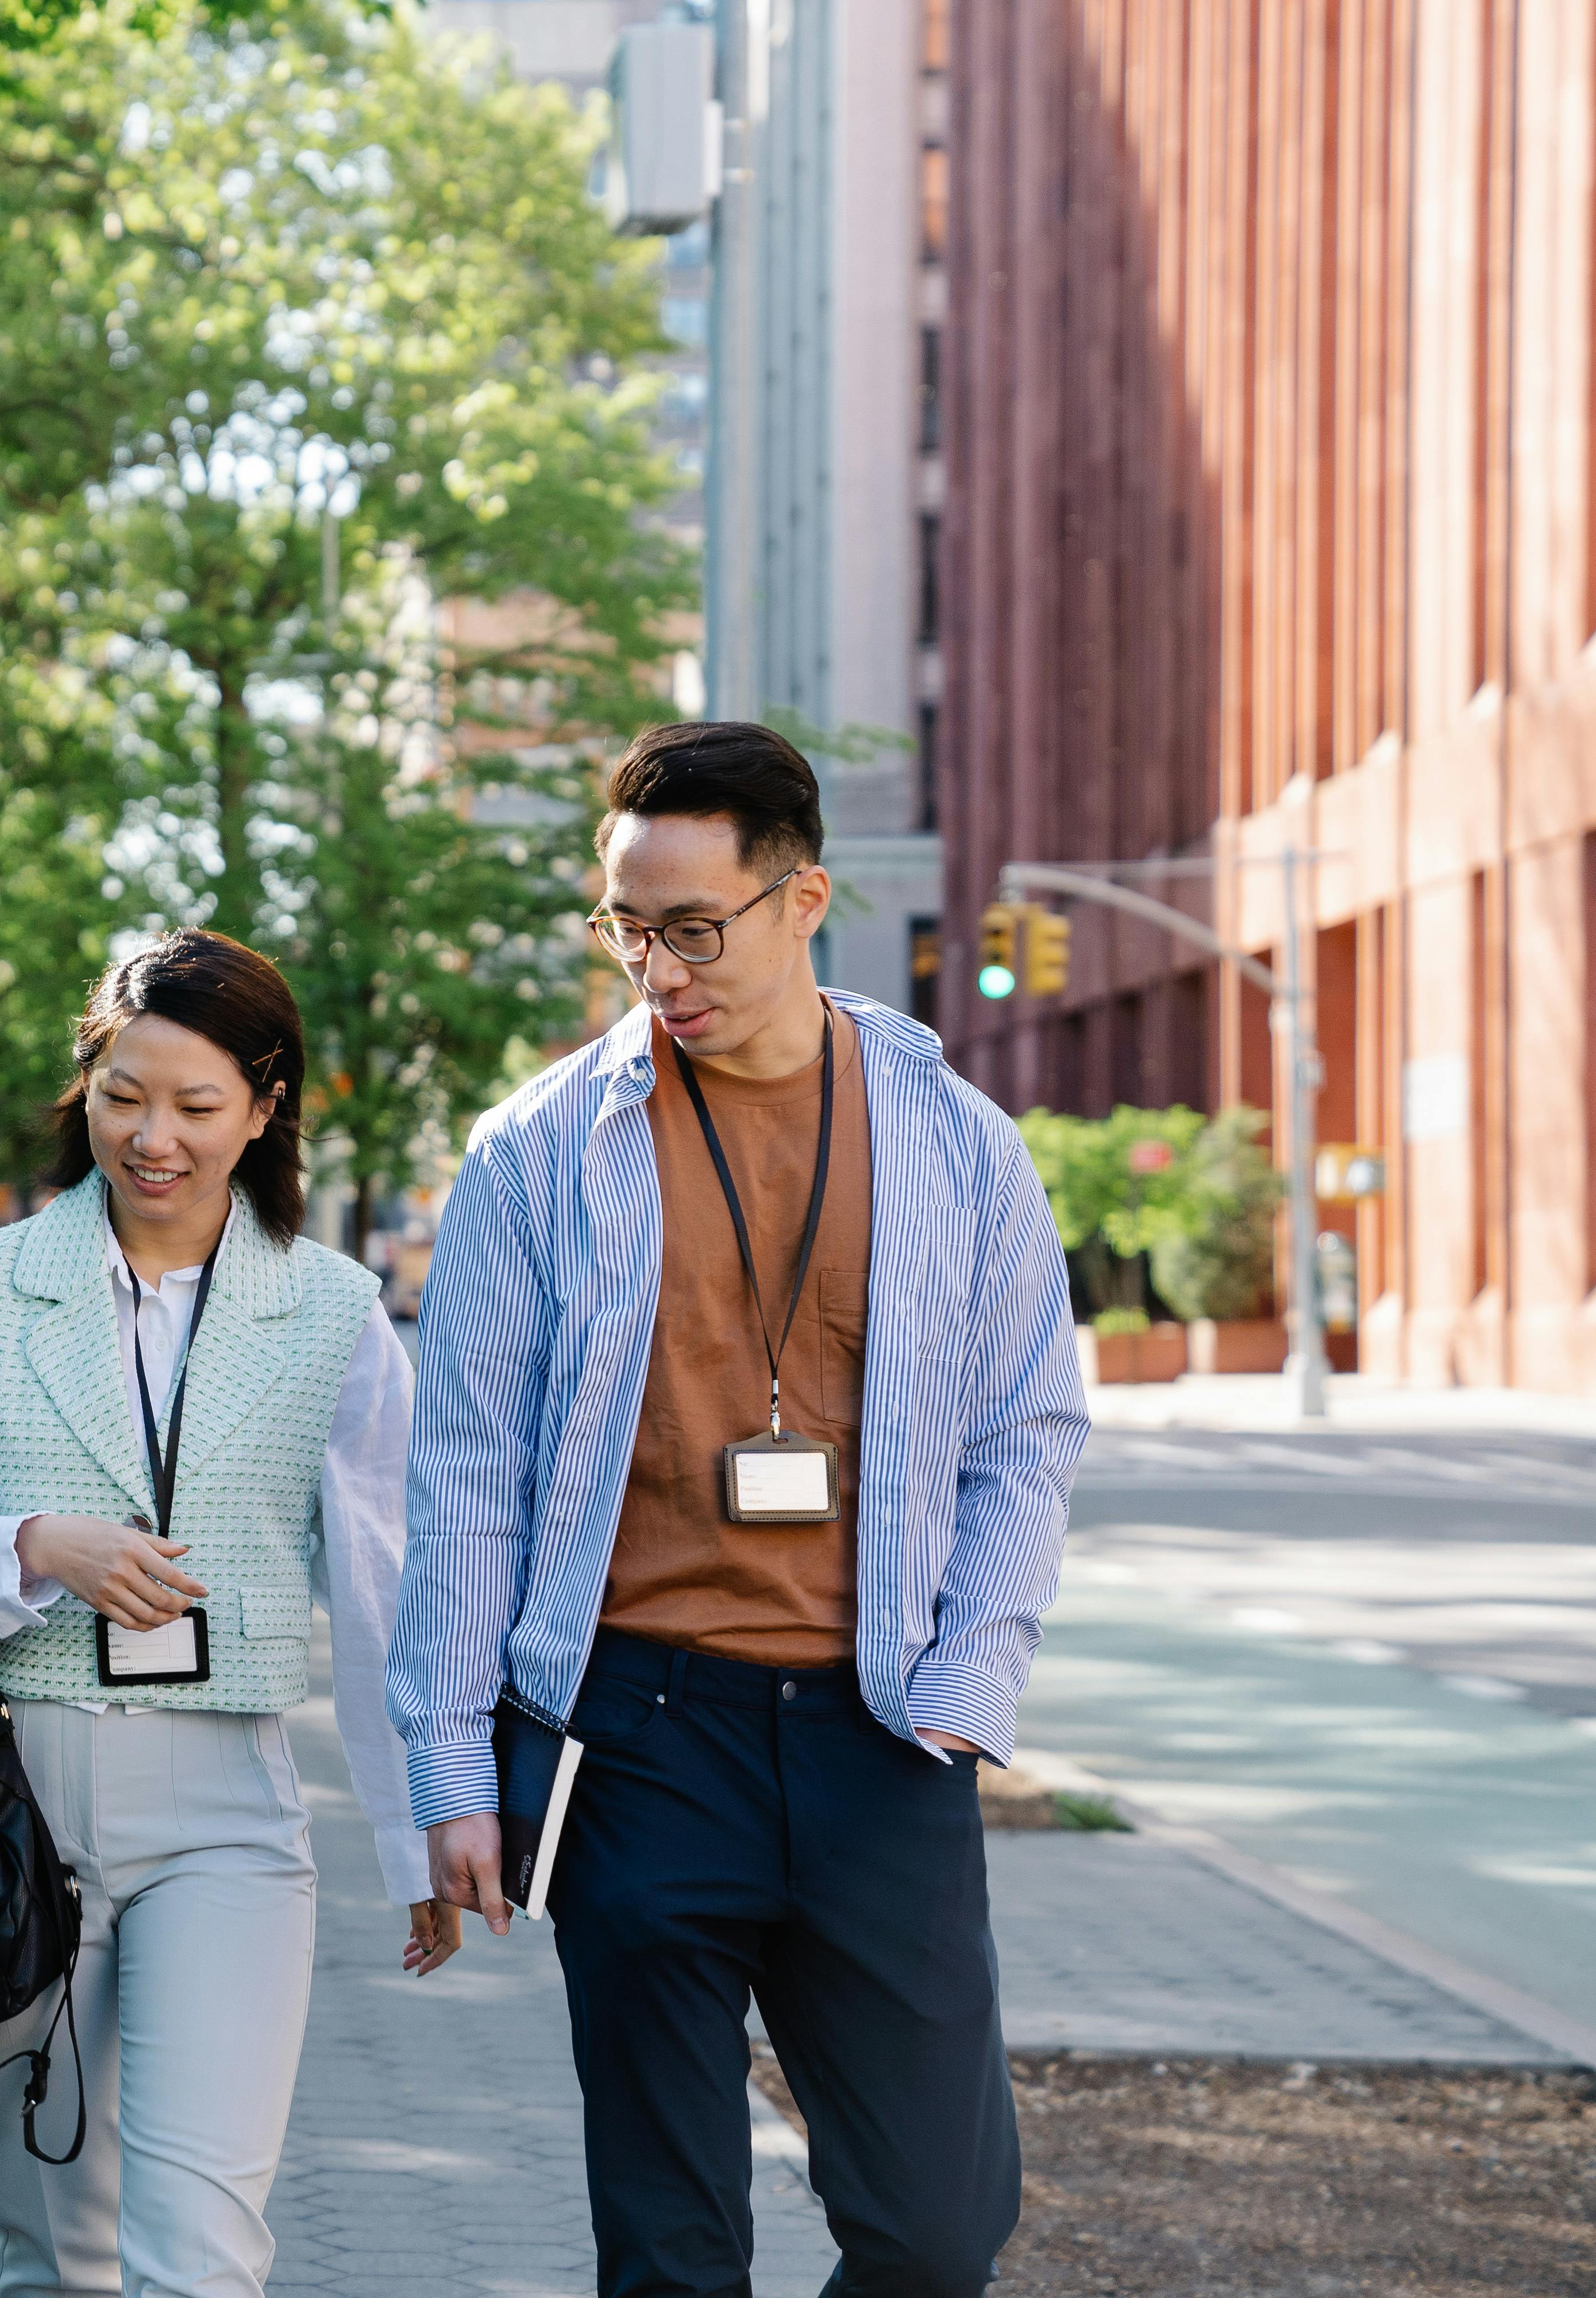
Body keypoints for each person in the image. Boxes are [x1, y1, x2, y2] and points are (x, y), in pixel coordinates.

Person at [390, 721, 1086, 2298]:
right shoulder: (536, 1153)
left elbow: (1029, 1429)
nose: (660, 969)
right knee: (671, 2248)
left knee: (935, 2232)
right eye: (628, 928)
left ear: (804, 899)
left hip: (882, 1734)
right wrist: (449, 1767)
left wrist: (977, 1680)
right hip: (640, 1734)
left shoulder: (956, 1141)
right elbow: (466, 1477)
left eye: (694, 928)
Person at [0, 929, 449, 2298]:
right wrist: (35, 1542)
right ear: (87, 1088)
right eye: (124, 1095)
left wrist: (424, 1835)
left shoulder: (335, 1312)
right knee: (52, 2240)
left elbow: (385, 1594)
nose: (154, 1137)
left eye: (195, 1104)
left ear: (265, 1104)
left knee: (201, 2247)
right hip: (14, 1811)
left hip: (229, 1814)